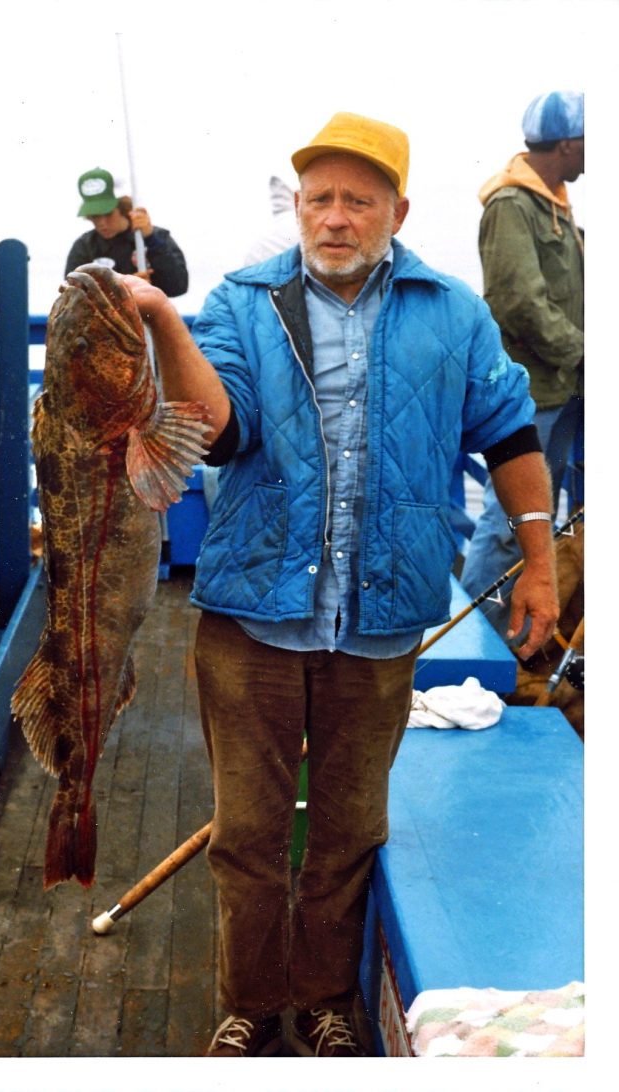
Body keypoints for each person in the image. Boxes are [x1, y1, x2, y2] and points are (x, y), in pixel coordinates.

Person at [120, 111, 559, 1058]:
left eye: (358, 200)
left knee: (349, 830)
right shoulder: (242, 302)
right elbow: (221, 431)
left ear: (398, 212)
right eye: (318, 198)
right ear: (299, 207)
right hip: (253, 618)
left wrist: (541, 562)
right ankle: (248, 1004)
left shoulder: (455, 312)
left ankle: (324, 1000)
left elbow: (511, 434)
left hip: (383, 620)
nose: (334, 217)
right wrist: (163, 321)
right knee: (247, 831)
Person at [460, 91, 584, 637]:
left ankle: (513, 632)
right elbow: (519, 302)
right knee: (513, 517)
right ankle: (472, 638)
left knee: (542, 516)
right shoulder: (512, 205)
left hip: (564, 387)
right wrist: (586, 354)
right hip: (532, 393)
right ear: (568, 144)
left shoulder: (554, 202)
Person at [64, 166, 189, 297]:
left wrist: (151, 239)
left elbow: (179, 287)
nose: (102, 223)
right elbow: (71, 296)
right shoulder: (84, 247)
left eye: (107, 213)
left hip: (149, 310)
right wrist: (124, 289)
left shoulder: (155, 238)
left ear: (123, 206)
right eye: (95, 216)